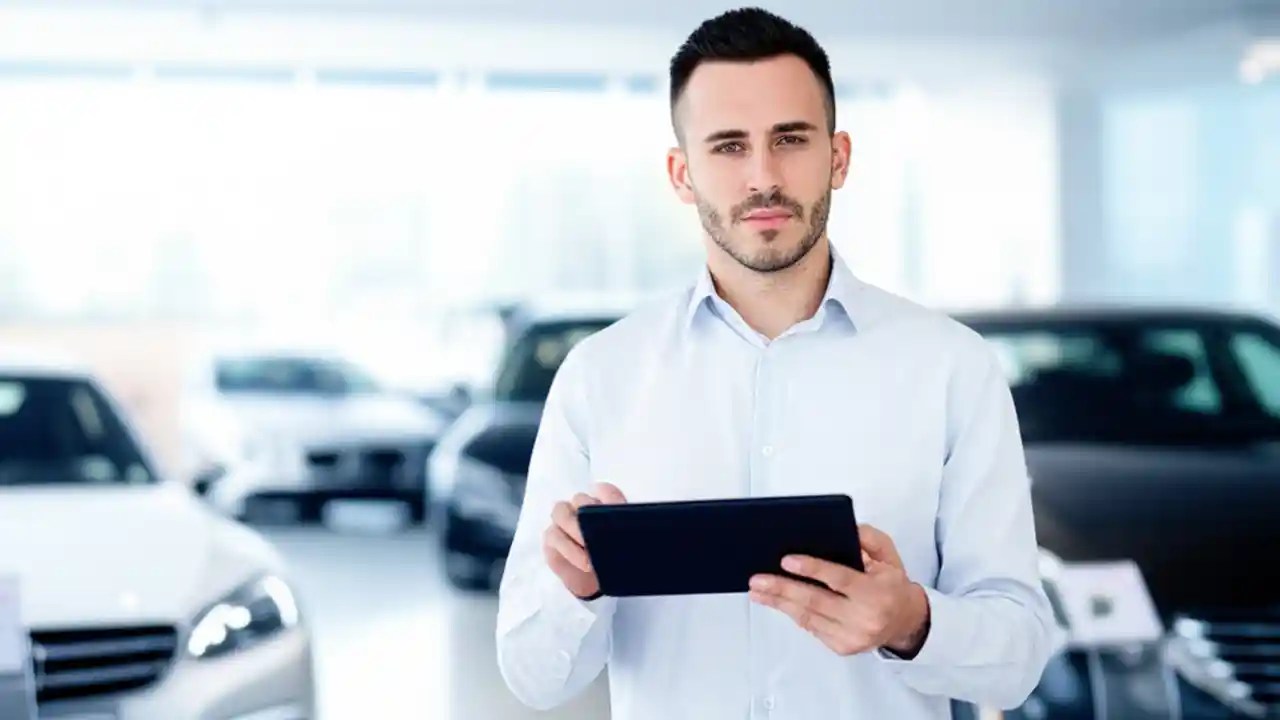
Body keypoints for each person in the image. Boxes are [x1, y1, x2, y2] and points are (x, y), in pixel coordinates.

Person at [496, 7, 1055, 719]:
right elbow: (531, 676)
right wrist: (575, 590)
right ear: (681, 173)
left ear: (839, 156)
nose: (763, 177)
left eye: (789, 139)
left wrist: (913, 621)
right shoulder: (599, 376)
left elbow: (1018, 658)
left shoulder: (951, 368)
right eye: (728, 146)